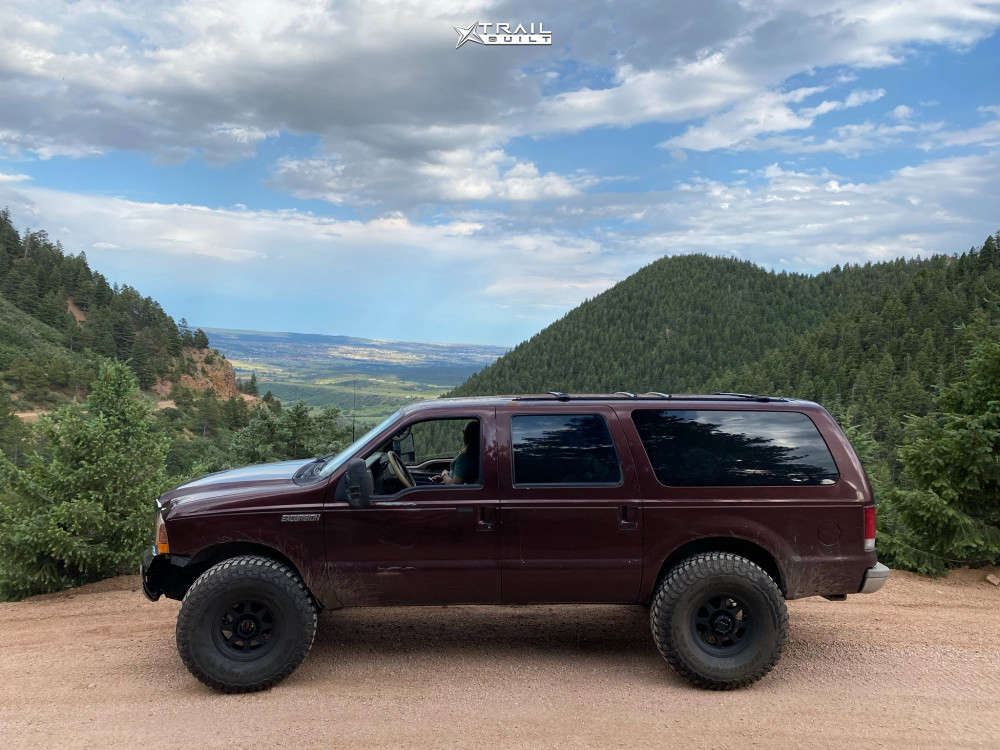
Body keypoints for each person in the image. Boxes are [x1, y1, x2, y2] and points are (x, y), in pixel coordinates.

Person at [436, 420, 479, 485]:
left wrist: (444, 474)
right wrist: (444, 477)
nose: (464, 435)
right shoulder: (477, 453)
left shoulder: (465, 458)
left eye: (465, 432)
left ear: (468, 436)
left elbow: (454, 486)